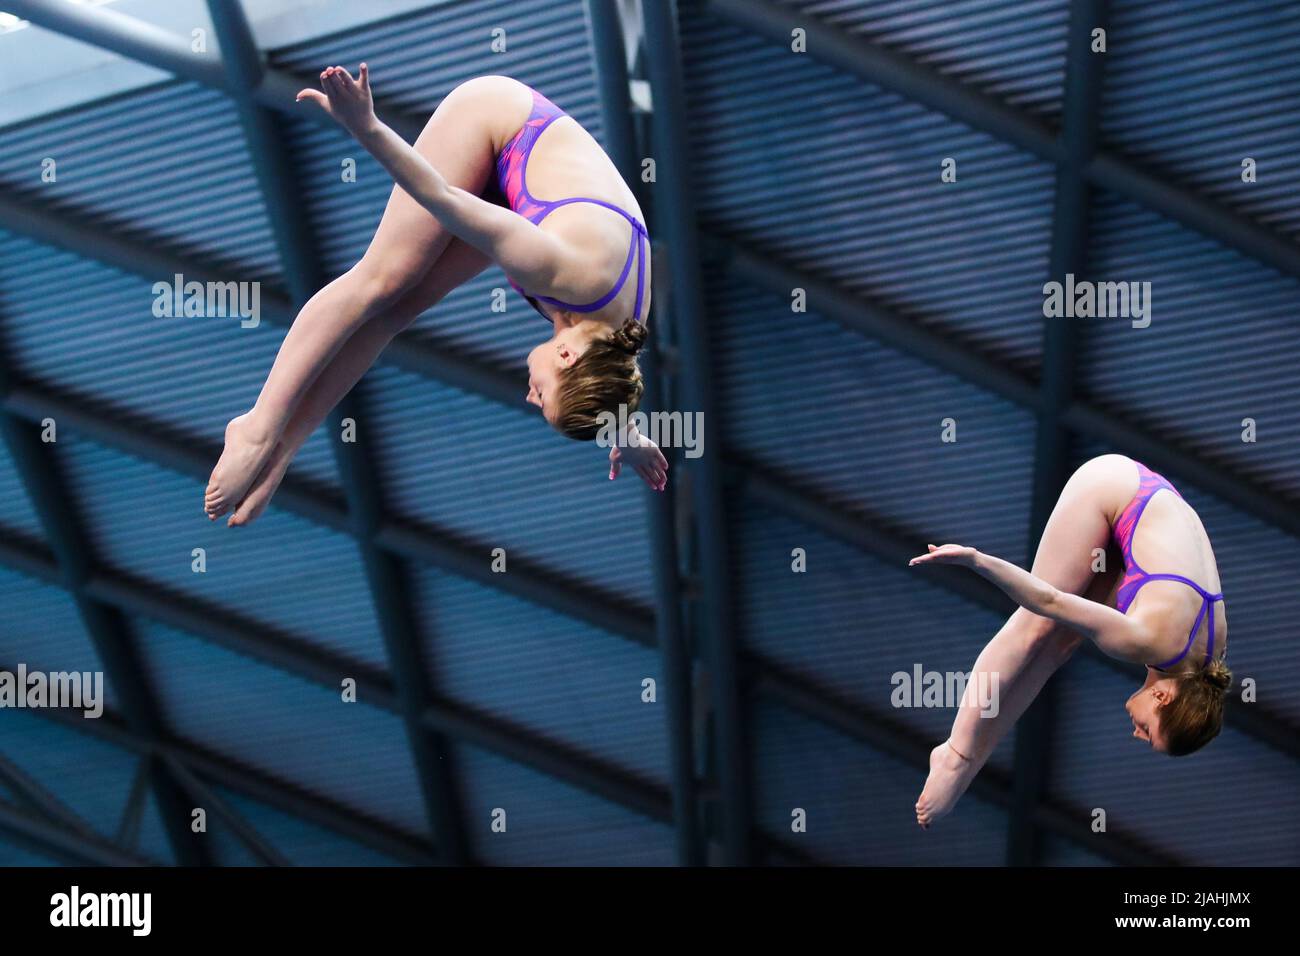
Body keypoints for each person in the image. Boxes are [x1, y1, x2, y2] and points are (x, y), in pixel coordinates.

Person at [204, 69, 666, 526]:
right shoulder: (552, 266)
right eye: (541, 395)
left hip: (521, 197)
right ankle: (257, 427)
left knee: (394, 315)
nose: (529, 395)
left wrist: (628, 434)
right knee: (384, 278)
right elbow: (439, 195)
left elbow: (612, 380)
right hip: (497, 123)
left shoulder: (613, 342)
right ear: (565, 355)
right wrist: (365, 125)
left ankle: (284, 447)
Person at [909, 454, 1230, 828]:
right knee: (1035, 628)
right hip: (1109, 487)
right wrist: (977, 561)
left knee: (1060, 645)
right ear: (1163, 697)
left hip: (1155, 504)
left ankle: (970, 761)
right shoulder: (1146, 642)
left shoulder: (1210, 659)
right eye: (1148, 730)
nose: (1136, 732)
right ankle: (956, 754)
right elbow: (1047, 599)